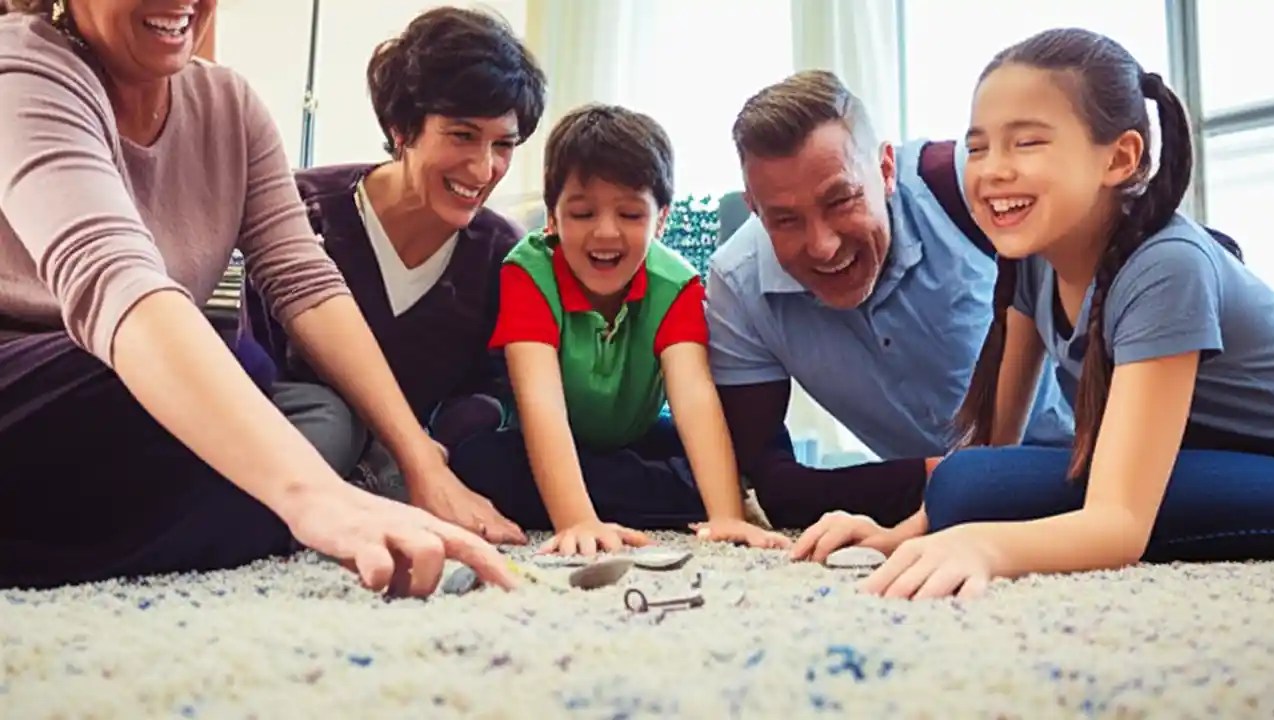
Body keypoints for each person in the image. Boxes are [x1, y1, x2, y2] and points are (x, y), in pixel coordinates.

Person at [0, 0, 514, 595]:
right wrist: (315, 498)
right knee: (250, 423)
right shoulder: (25, 69)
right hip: (49, 382)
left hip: (120, 415)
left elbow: (306, 282)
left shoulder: (229, 105)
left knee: (283, 437)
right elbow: (116, 279)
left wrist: (422, 463)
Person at [794, 27, 1274, 600]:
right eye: (977, 148)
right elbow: (994, 442)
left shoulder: (1167, 266)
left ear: (1120, 158)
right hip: (1211, 458)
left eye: (1026, 143)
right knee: (967, 482)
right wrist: (895, 538)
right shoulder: (1035, 259)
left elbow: (1119, 524)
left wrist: (987, 546)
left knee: (974, 491)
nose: (993, 170)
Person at [708, 70, 1076, 530]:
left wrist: (971, 480)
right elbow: (777, 488)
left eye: (840, 200)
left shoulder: (964, 186)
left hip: (1122, 449)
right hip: (962, 497)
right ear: (755, 208)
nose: (822, 246)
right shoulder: (735, 285)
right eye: (784, 220)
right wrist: (958, 479)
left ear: (885, 169)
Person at [244, 6, 545, 546]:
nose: (483, 169)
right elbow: (258, 368)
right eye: (461, 135)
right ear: (401, 128)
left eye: (503, 145)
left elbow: (494, 397)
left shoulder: (501, 254)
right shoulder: (300, 210)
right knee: (330, 423)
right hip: (294, 436)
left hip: (416, 456)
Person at [458, 104, 788, 555]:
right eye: (582, 214)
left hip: (638, 438)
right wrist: (577, 522)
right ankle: (626, 499)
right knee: (480, 464)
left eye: (631, 215)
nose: (606, 233)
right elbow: (541, 402)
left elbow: (692, 396)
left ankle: (676, 494)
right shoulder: (528, 272)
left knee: (740, 443)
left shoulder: (676, 284)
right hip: (550, 443)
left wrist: (726, 516)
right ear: (552, 219)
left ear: (662, 220)